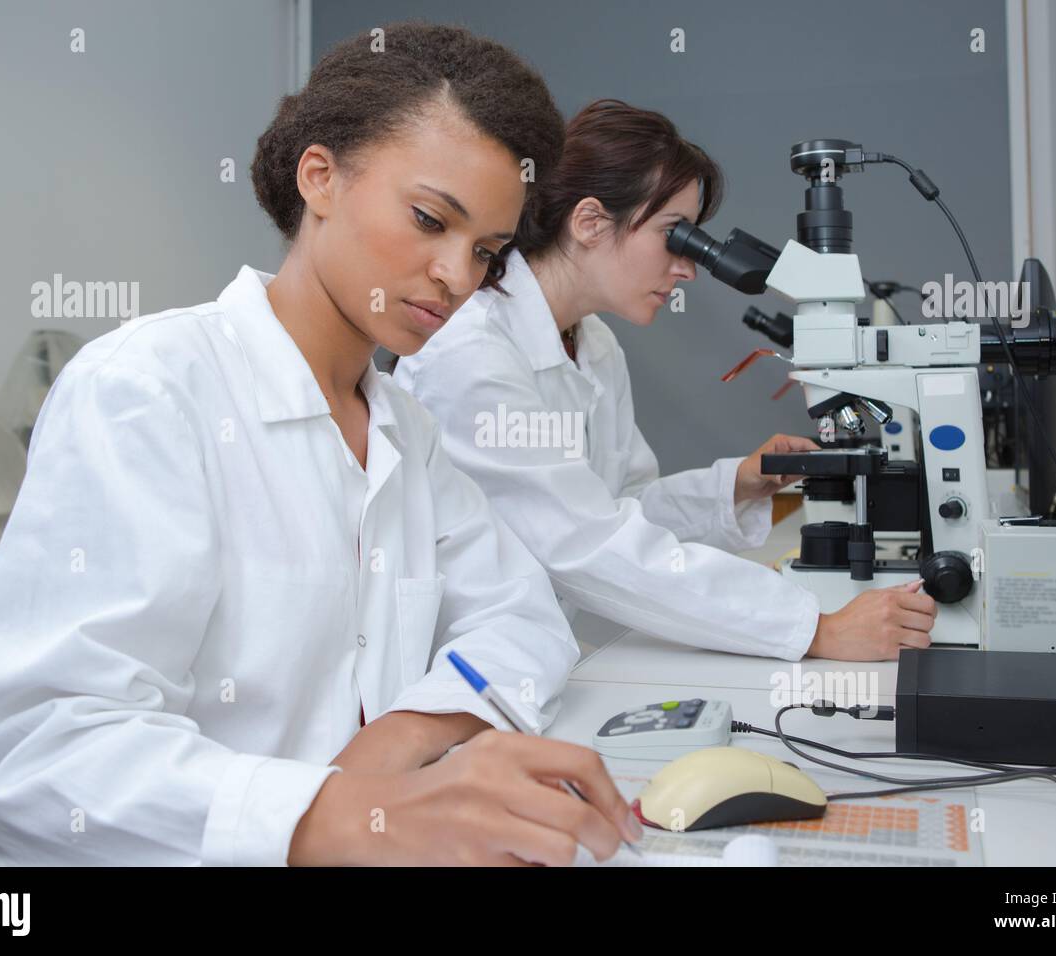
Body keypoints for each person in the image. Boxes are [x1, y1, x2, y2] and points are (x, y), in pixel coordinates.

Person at [0, 23, 640, 868]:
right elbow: (33, 762)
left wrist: (393, 744)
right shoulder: (149, 389)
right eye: (429, 220)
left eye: (487, 253)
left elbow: (524, 617)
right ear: (321, 178)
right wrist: (331, 814)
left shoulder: (403, 434)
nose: (458, 277)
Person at [395, 99, 936, 663]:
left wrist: (737, 485)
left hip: (542, 650)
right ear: (589, 222)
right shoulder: (473, 354)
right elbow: (587, 547)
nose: (688, 267)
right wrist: (815, 629)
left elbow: (619, 507)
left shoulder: (593, 341)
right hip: (462, 669)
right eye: (675, 236)